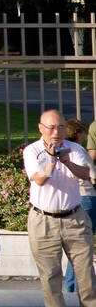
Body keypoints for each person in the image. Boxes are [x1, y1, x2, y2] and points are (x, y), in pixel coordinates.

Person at [23, 109, 96, 307]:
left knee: (86, 273)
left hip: (74, 217)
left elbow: (87, 174)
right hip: (43, 220)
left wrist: (67, 162)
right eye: (52, 127)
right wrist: (53, 161)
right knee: (50, 276)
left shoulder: (75, 149)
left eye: (61, 127)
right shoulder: (32, 151)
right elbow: (40, 179)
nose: (57, 132)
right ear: (41, 128)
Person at [61, 119, 96, 293]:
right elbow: (92, 174)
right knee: (83, 243)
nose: (85, 135)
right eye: (83, 131)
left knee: (78, 243)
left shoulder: (65, 150)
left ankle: (71, 283)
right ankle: (73, 283)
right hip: (87, 196)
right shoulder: (79, 151)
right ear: (78, 133)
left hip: (76, 197)